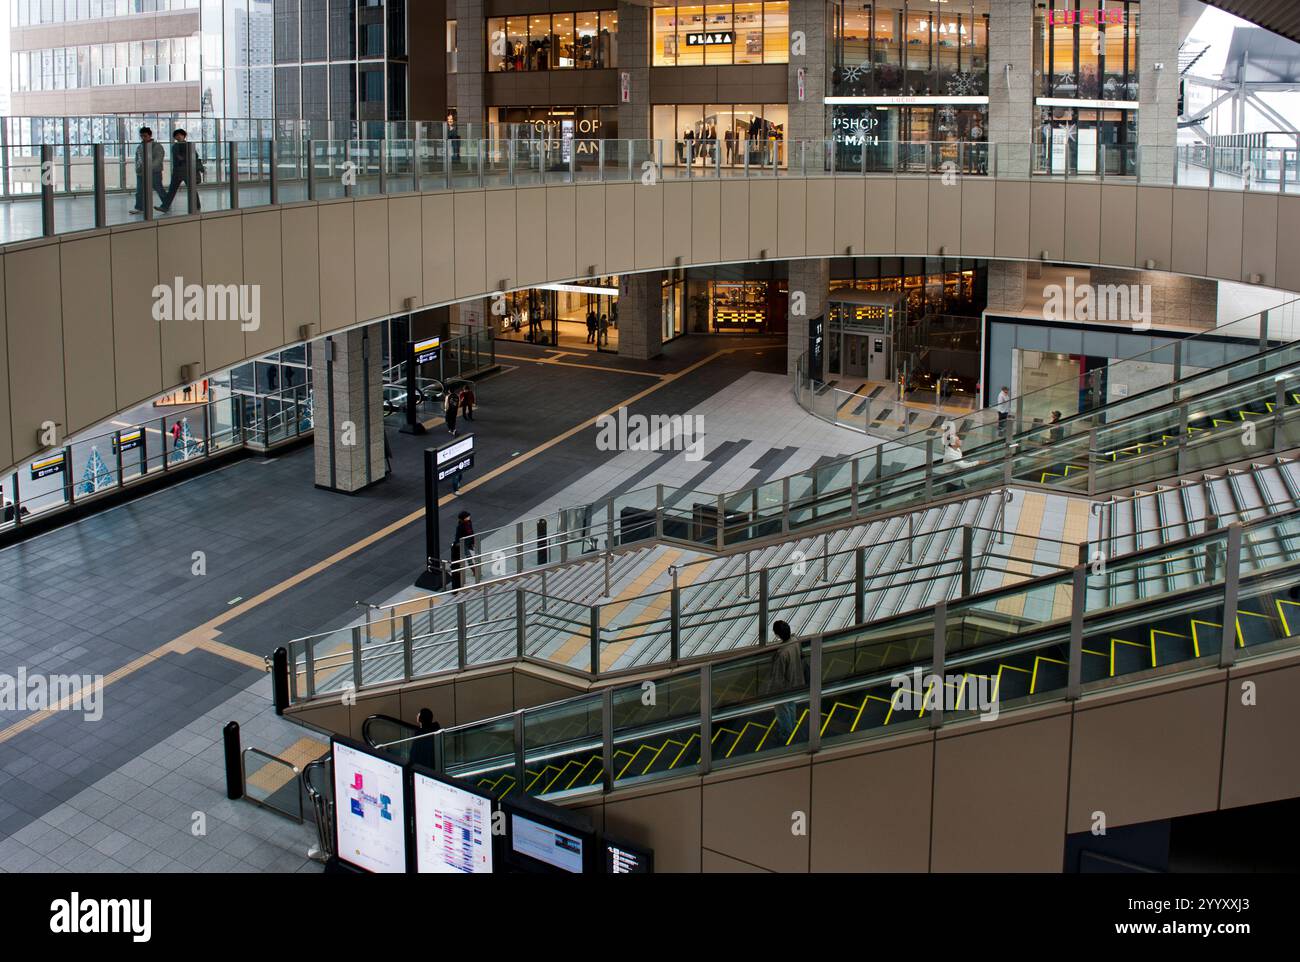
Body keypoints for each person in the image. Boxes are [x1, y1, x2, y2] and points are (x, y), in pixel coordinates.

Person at [762, 621, 805, 743]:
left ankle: (786, 733)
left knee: (782, 710)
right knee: (791, 705)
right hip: (796, 680)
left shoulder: (782, 654)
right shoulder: (795, 640)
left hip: (784, 686)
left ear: (777, 635)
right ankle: (792, 726)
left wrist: (771, 692)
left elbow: (778, 677)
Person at [156, 128, 204, 213]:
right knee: (172, 190)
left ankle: (197, 206)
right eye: (176, 135)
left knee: (191, 189)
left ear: (184, 136)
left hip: (187, 171)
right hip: (178, 171)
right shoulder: (175, 146)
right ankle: (165, 206)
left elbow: (194, 157)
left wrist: (183, 158)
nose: (178, 136)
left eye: (180, 135)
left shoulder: (188, 145)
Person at [131, 126, 166, 215]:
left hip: (154, 172)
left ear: (150, 135)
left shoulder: (157, 146)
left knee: (159, 189)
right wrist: (138, 169)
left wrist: (149, 168)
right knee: (139, 191)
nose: (143, 138)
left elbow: (158, 159)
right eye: (141, 136)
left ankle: (166, 204)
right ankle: (139, 207)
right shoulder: (140, 146)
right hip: (141, 172)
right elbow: (137, 159)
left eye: (145, 136)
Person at [454, 509, 477, 579]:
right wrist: (458, 543)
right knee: (468, 556)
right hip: (463, 542)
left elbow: (472, 532)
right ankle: (474, 570)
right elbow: (457, 536)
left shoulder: (469, 522)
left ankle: (458, 568)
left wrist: (473, 542)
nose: (469, 517)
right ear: (463, 518)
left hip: (469, 541)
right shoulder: (460, 526)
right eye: (467, 516)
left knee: (463, 556)